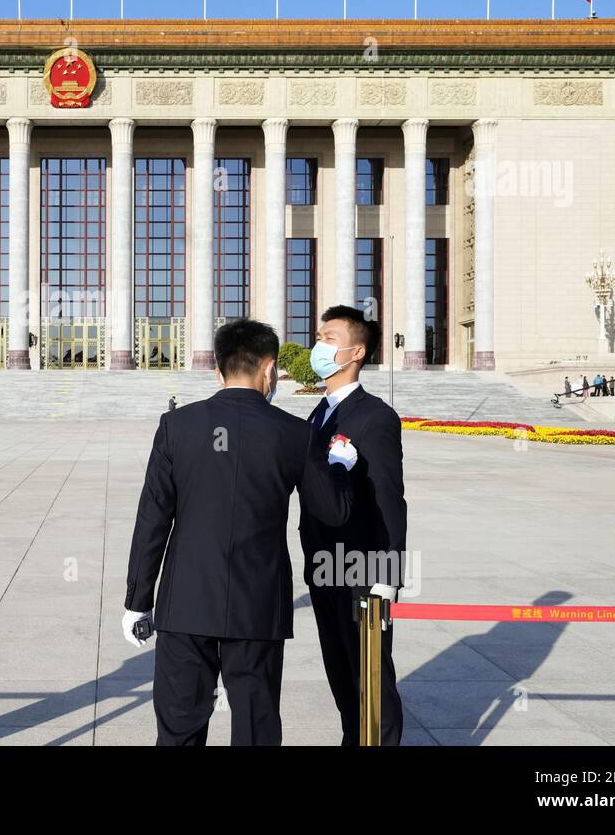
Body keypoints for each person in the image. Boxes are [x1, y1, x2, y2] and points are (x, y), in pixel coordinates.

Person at [122, 318, 355, 746]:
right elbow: (334, 512)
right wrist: (339, 465)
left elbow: (153, 517)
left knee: (178, 730)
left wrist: (138, 601)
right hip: (257, 606)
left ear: (218, 369)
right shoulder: (296, 433)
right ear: (270, 369)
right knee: (256, 727)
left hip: (186, 604)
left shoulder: (178, 427)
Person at [298, 305, 408, 746]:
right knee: (341, 672)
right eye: (319, 337)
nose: (319, 346)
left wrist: (388, 571)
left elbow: (389, 497)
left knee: (371, 679)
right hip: (323, 566)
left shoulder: (375, 416)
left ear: (356, 350)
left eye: (329, 337)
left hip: (362, 567)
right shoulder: (318, 413)